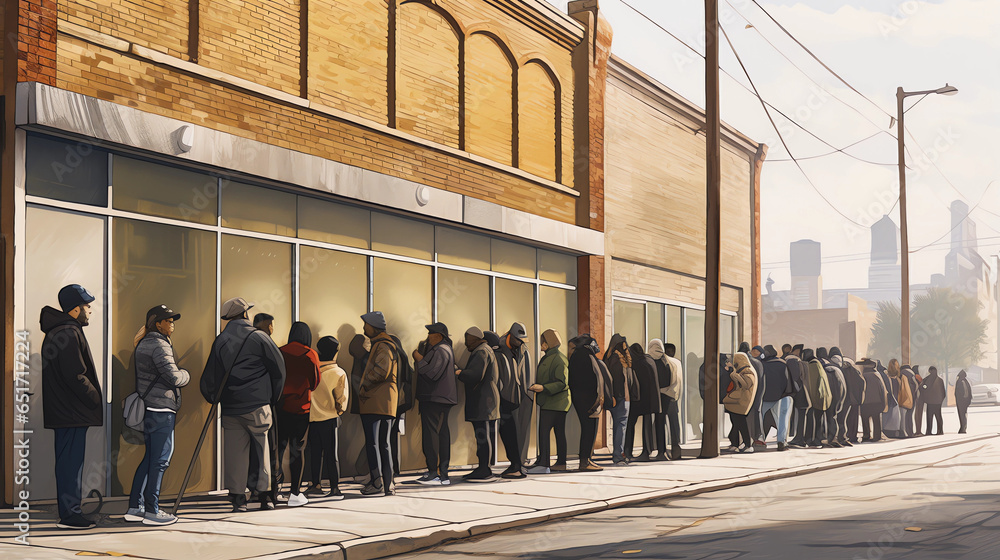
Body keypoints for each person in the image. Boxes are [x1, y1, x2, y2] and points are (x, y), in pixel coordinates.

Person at [201, 297, 286, 512]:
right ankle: (265, 496)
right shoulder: (259, 337)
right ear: (245, 314)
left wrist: (217, 398)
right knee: (262, 449)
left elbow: (212, 375)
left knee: (235, 452)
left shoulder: (221, 340)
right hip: (258, 403)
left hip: (231, 406)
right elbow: (279, 369)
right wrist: (272, 397)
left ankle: (238, 498)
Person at [40, 285, 102, 530]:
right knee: (70, 465)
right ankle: (70, 515)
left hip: (66, 411)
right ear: (75, 309)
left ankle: (71, 511)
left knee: (68, 463)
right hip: (71, 412)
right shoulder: (68, 331)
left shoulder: (60, 330)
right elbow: (75, 375)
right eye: (87, 306)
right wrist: (95, 398)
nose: (89, 311)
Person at [125, 305, 189, 526]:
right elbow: (173, 377)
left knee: (150, 458)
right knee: (160, 459)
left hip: (150, 408)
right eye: (168, 320)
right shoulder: (160, 345)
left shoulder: (144, 342)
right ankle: (152, 510)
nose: (172, 324)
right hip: (162, 409)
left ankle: (135, 507)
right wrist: (185, 375)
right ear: (157, 323)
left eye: (173, 320)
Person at [276, 322, 321, 506]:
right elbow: (315, 382)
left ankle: (274, 490)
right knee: (297, 450)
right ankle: (294, 493)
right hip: (301, 408)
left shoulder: (280, 351)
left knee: (278, 449)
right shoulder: (310, 354)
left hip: (281, 406)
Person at [357, 311, 398, 496]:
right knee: (384, 443)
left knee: (374, 444)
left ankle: (378, 483)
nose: (364, 328)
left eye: (365, 325)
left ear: (373, 326)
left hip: (376, 401)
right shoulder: (385, 344)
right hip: (386, 402)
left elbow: (381, 371)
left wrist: (363, 384)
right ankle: (387, 484)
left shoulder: (383, 345)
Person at [413, 322, 458, 485]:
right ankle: (441, 473)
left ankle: (435, 473)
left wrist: (419, 358)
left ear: (438, 336)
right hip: (440, 398)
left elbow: (432, 373)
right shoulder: (445, 349)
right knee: (441, 434)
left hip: (435, 398)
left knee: (432, 435)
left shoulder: (441, 350)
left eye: (430, 334)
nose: (428, 338)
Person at [304, 336, 348, 500]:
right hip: (330, 419)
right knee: (331, 454)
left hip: (312, 418)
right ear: (336, 352)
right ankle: (335, 488)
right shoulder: (338, 373)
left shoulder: (313, 370)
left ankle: (315, 484)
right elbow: (341, 401)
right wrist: (339, 412)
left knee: (314, 453)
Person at [456, 327, 500, 482]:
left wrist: (460, 372)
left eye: (467, 338)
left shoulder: (481, 351)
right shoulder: (484, 349)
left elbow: (475, 375)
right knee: (483, 434)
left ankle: (484, 469)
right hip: (486, 399)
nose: (466, 342)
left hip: (483, 400)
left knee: (482, 435)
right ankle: (483, 468)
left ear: (474, 338)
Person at [529, 329, 571, 473]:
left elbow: (562, 383)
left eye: (543, 342)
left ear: (548, 343)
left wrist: (543, 387)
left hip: (555, 403)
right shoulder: (548, 357)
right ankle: (554, 462)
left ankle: (545, 464)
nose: (541, 344)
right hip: (552, 402)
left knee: (545, 432)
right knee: (556, 433)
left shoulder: (558, 359)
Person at [489, 330, 526, 479]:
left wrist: (499, 395)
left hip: (504, 400)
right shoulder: (511, 352)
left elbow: (502, 379)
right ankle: (515, 465)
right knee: (510, 434)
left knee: (508, 435)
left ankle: (515, 466)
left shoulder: (500, 354)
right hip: (512, 399)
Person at [568, 334, 605, 471]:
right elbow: (588, 380)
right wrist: (593, 399)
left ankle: (587, 459)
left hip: (589, 400)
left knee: (590, 430)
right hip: (587, 401)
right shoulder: (583, 356)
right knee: (588, 430)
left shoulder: (584, 356)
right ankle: (584, 461)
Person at [501, 322, 534, 471]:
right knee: (510, 431)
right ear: (511, 336)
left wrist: (526, 394)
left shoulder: (524, 350)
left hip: (523, 395)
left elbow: (526, 376)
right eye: (518, 339)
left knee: (521, 430)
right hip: (506, 397)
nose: (521, 342)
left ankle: (519, 462)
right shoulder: (500, 348)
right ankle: (515, 462)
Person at [648, 340, 683, 460]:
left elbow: (662, 381)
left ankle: (660, 451)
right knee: (674, 424)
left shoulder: (659, 362)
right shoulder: (677, 362)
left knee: (659, 424)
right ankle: (676, 448)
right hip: (674, 397)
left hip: (662, 396)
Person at [625, 343, 660, 461]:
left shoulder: (637, 363)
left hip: (639, 399)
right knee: (647, 426)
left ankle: (628, 451)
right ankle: (647, 450)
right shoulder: (649, 360)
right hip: (651, 399)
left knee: (630, 424)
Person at [604, 334, 633, 466]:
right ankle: (618, 456)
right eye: (623, 344)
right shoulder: (617, 358)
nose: (625, 347)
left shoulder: (610, 356)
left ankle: (618, 454)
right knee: (621, 426)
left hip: (619, 397)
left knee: (618, 426)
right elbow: (616, 379)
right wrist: (616, 396)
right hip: (621, 398)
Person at [759, 345, 793, 451]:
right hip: (782, 396)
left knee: (761, 418)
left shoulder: (762, 364)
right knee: (782, 419)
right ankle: (781, 442)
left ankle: (760, 440)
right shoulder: (782, 364)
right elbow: (788, 380)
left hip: (766, 396)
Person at [348, 334, 372, 483]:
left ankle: (363, 468)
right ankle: (365, 468)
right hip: (369, 403)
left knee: (371, 438)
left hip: (361, 403)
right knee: (373, 439)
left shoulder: (357, 359)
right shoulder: (366, 358)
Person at [723, 353, 758, 453]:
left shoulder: (748, 371)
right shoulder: (742, 371)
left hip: (742, 401)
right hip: (738, 401)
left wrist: (735, 375)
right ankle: (738, 443)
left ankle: (748, 444)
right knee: (737, 423)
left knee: (742, 424)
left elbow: (746, 384)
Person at [817, 348, 846, 448]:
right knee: (832, 417)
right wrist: (841, 400)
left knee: (820, 417)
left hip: (823, 396)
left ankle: (822, 437)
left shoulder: (819, 367)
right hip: (836, 396)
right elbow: (842, 386)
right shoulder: (835, 368)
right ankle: (832, 438)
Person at [836, 351, 866, 446]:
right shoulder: (855, 372)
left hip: (845, 398)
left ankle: (844, 435)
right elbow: (862, 383)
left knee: (843, 418)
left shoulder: (841, 371)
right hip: (855, 399)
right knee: (854, 418)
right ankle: (853, 436)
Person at [803, 349, 831, 447]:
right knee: (818, 419)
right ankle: (818, 439)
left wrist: (811, 398)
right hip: (821, 397)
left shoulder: (812, 365)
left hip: (815, 398)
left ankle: (814, 440)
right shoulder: (818, 364)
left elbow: (813, 384)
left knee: (814, 420)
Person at [785, 344, 811, 448]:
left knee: (797, 416)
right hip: (801, 393)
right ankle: (800, 438)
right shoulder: (794, 361)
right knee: (800, 416)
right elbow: (796, 378)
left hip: (796, 394)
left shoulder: (791, 360)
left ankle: (799, 438)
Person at [742, 343, 767, 448]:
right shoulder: (758, 363)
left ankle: (744, 440)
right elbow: (762, 381)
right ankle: (758, 437)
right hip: (757, 392)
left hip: (745, 394)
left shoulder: (742, 363)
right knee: (756, 414)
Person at [858, 358, 887, 442]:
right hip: (876, 402)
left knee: (865, 419)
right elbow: (882, 390)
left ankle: (866, 435)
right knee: (876, 420)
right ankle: (876, 436)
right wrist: (883, 402)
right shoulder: (877, 375)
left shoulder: (863, 375)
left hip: (865, 401)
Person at [920, 366, 946, 435]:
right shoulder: (940, 380)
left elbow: (923, 388)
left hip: (930, 402)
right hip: (938, 402)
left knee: (929, 417)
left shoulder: (926, 379)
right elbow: (943, 392)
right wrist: (940, 400)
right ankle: (940, 431)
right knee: (939, 417)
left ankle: (929, 431)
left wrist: (925, 399)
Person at [877, 360, 898, 441]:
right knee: (892, 416)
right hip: (892, 397)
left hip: (885, 397)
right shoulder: (887, 375)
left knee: (885, 416)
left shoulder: (883, 374)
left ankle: (886, 431)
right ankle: (892, 431)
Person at [900, 364, 918, 438]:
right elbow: (916, 385)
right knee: (909, 415)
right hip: (912, 398)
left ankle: (904, 432)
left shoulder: (901, 374)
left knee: (903, 417)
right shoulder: (912, 374)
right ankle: (910, 432)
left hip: (903, 398)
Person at [955, 370, 972, 434]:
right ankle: (963, 427)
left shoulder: (959, 382)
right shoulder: (966, 381)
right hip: (965, 401)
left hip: (961, 402)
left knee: (962, 414)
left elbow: (958, 393)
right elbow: (969, 392)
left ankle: (963, 428)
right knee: (964, 414)